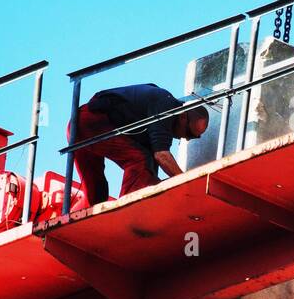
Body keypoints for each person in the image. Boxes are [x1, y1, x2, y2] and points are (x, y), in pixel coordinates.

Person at [68, 83, 208, 208]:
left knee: (96, 196)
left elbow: (152, 165)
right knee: (140, 159)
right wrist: (186, 183)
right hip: (90, 122)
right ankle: (127, 210)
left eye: (194, 137)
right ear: (183, 116)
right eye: (190, 133)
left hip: (76, 127)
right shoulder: (166, 105)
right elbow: (162, 156)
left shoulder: (160, 118)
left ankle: (71, 225)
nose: (187, 139)